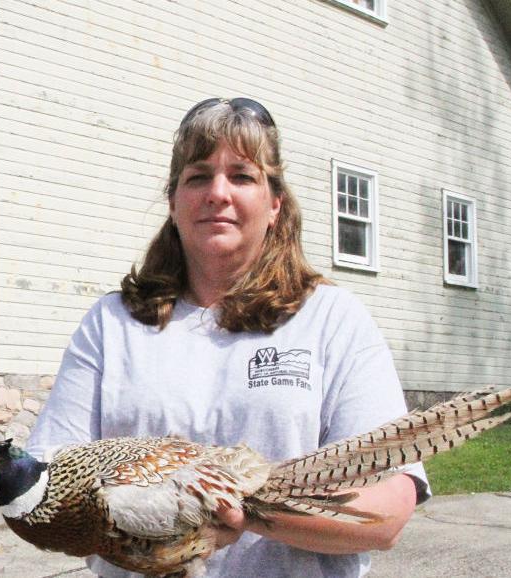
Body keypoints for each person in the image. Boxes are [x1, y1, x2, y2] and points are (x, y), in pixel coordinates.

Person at [26, 97, 428, 578]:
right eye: (198, 177)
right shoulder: (112, 324)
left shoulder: (332, 319)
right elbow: (47, 482)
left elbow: (387, 509)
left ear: (275, 203)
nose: (218, 192)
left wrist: (246, 513)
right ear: (173, 202)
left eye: (241, 176)